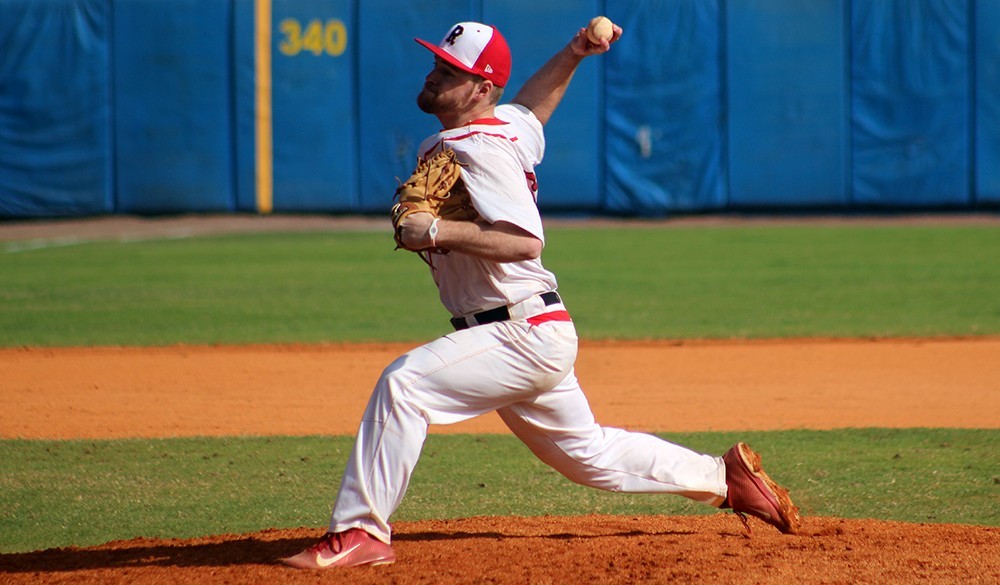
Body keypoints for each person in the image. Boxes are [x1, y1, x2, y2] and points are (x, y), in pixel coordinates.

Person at [283, 19, 801, 570]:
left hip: (517, 333)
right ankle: (726, 479)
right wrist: (575, 52)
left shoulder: (477, 145)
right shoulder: (502, 126)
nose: (434, 75)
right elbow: (531, 107)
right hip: (528, 330)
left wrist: (434, 231)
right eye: (436, 64)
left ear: (480, 89)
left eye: (449, 71)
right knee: (591, 458)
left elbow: (527, 241)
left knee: (404, 384)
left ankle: (360, 531)